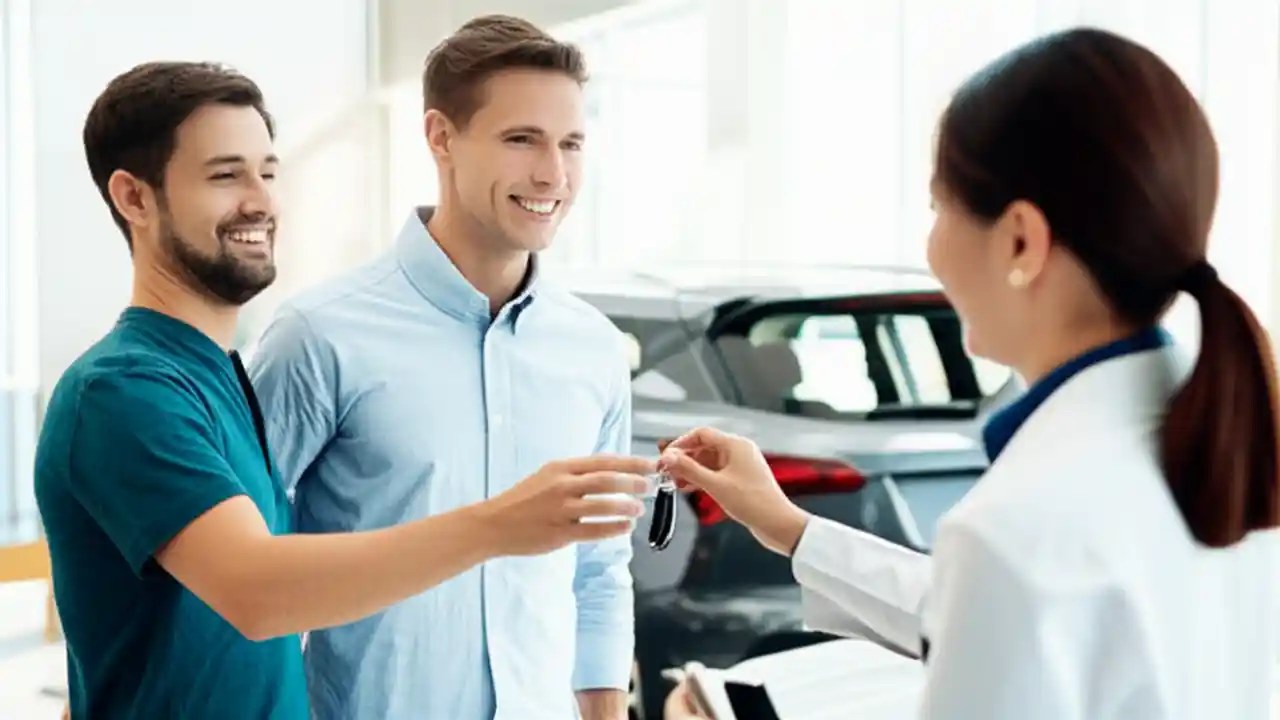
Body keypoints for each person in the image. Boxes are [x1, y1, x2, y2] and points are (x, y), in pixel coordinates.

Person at [659, 27, 1280, 720]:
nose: (931, 248)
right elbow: (999, 615)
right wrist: (792, 529)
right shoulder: (1223, 450)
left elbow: (1012, 595)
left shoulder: (1021, 526)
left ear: (1020, 239)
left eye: (938, 208)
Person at [33, 60, 650, 720]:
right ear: (134, 198)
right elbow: (260, 593)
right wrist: (500, 525)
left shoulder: (217, 379)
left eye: (269, 172)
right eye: (224, 174)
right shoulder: (123, 390)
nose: (261, 200)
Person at [247, 15, 636, 720]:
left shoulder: (596, 349)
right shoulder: (319, 336)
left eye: (571, 143)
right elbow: (240, 577)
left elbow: (599, 572)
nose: (553, 173)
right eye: (522, 139)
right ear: (440, 137)